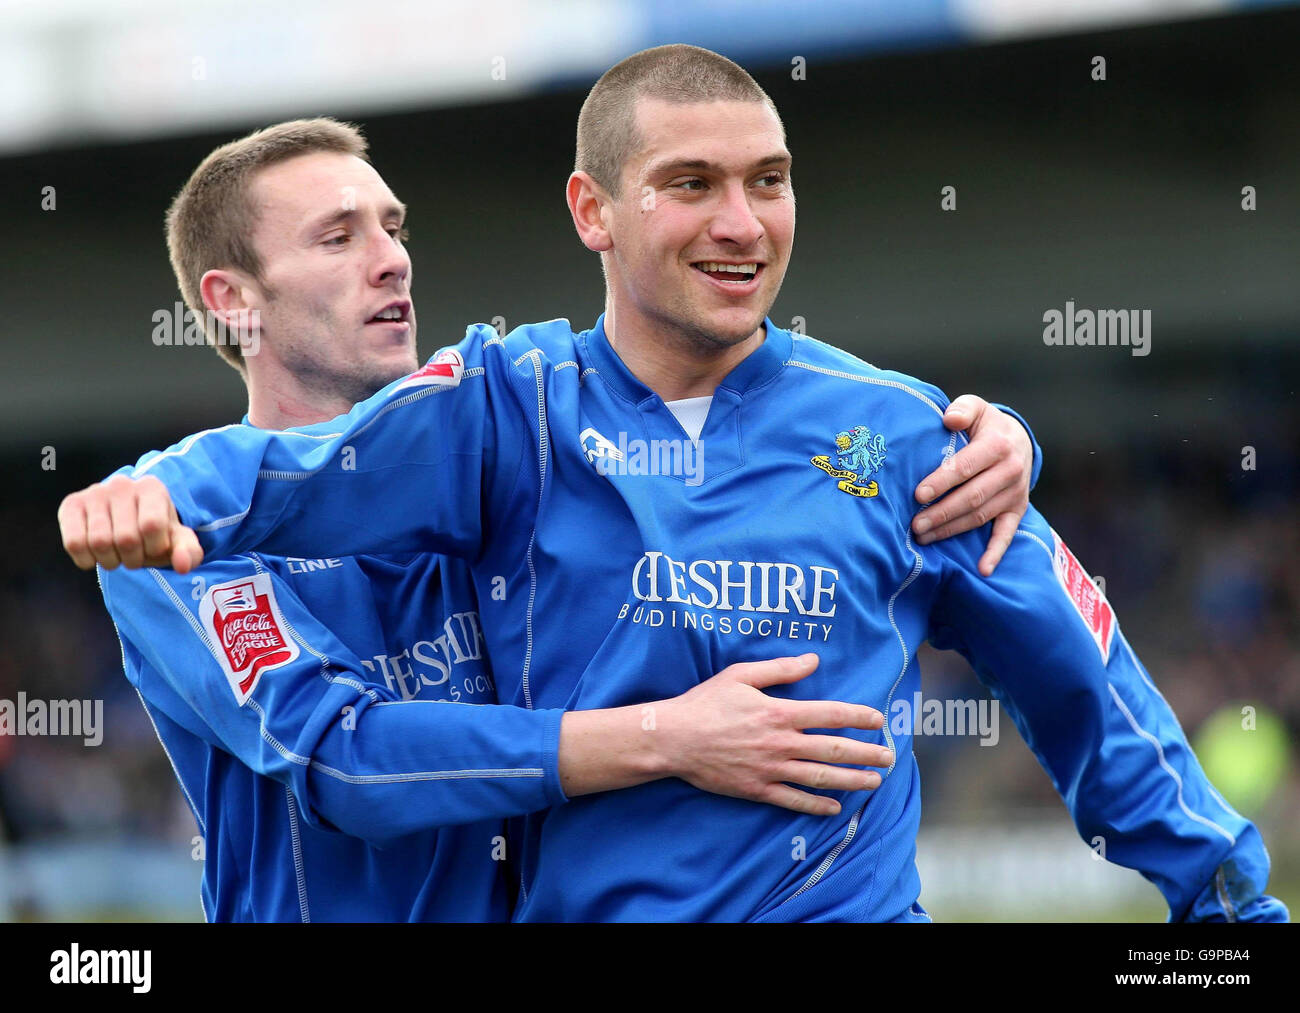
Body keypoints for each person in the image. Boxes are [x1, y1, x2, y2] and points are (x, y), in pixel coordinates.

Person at [66, 45, 1283, 922]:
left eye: (770, 179)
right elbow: (345, 762)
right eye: (692, 184)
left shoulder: (904, 439)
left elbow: (1087, 675)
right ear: (593, 211)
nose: (392, 258)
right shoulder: (498, 422)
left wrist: (1228, 908)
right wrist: (156, 494)